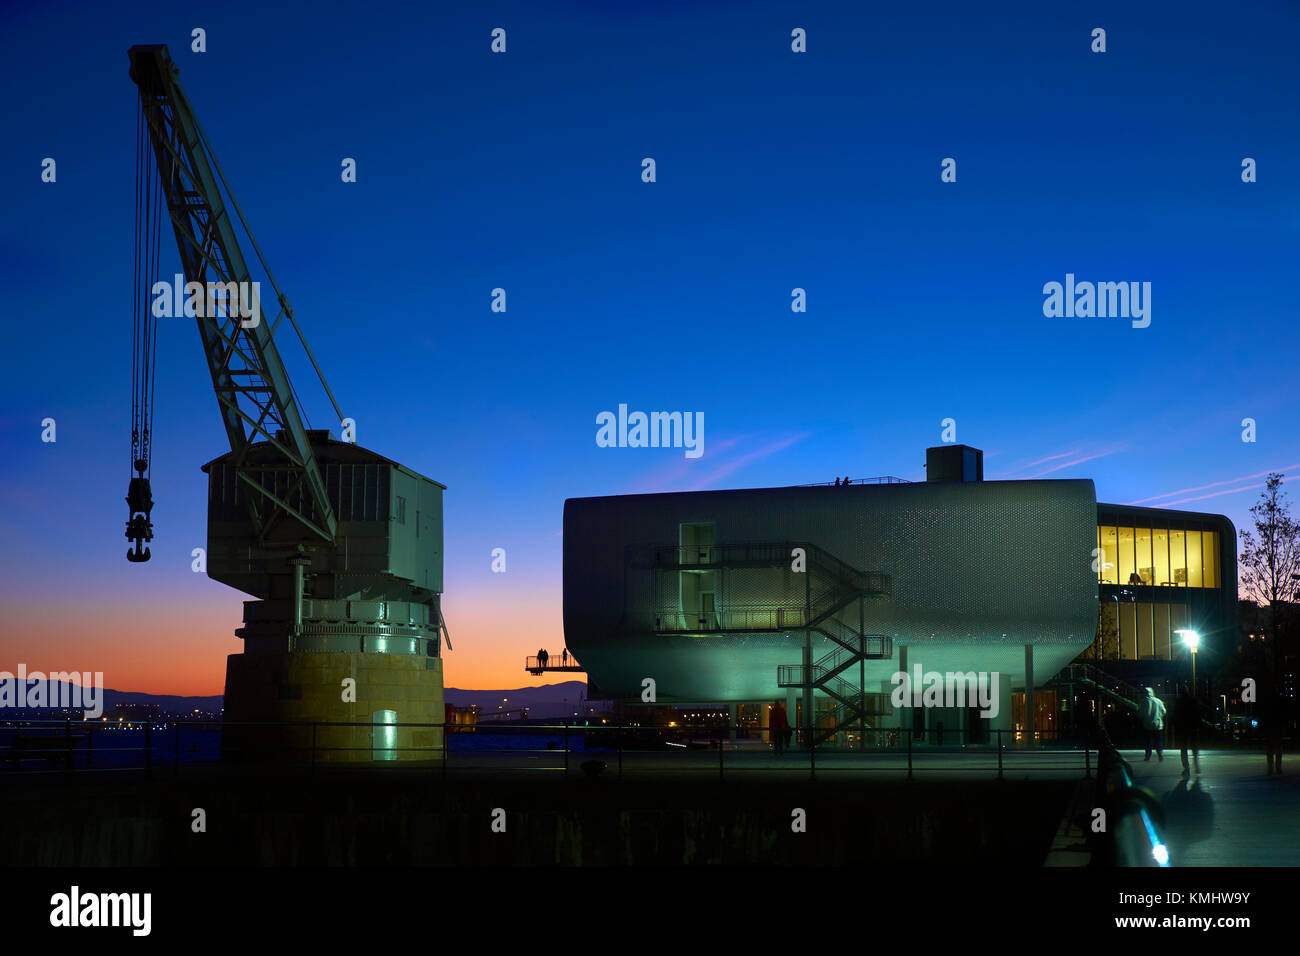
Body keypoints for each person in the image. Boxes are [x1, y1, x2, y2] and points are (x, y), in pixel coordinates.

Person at [1172, 683, 1200, 775]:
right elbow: (1197, 714)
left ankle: (1186, 768)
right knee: (1194, 748)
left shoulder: (1178, 701)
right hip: (1192, 727)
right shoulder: (1193, 700)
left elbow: (1175, 715)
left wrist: (1176, 726)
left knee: (1183, 749)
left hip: (1182, 727)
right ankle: (1196, 765)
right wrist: (1197, 726)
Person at [1138, 686, 1165, 761]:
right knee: (1158, 742)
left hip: (1147, 725)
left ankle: (1147, 756)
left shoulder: (1143, 702)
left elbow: (1140, 714)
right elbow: (1164, 711)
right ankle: (1160, 755)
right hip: (1158, 725)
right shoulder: (1159, 701)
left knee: (1148, 742)